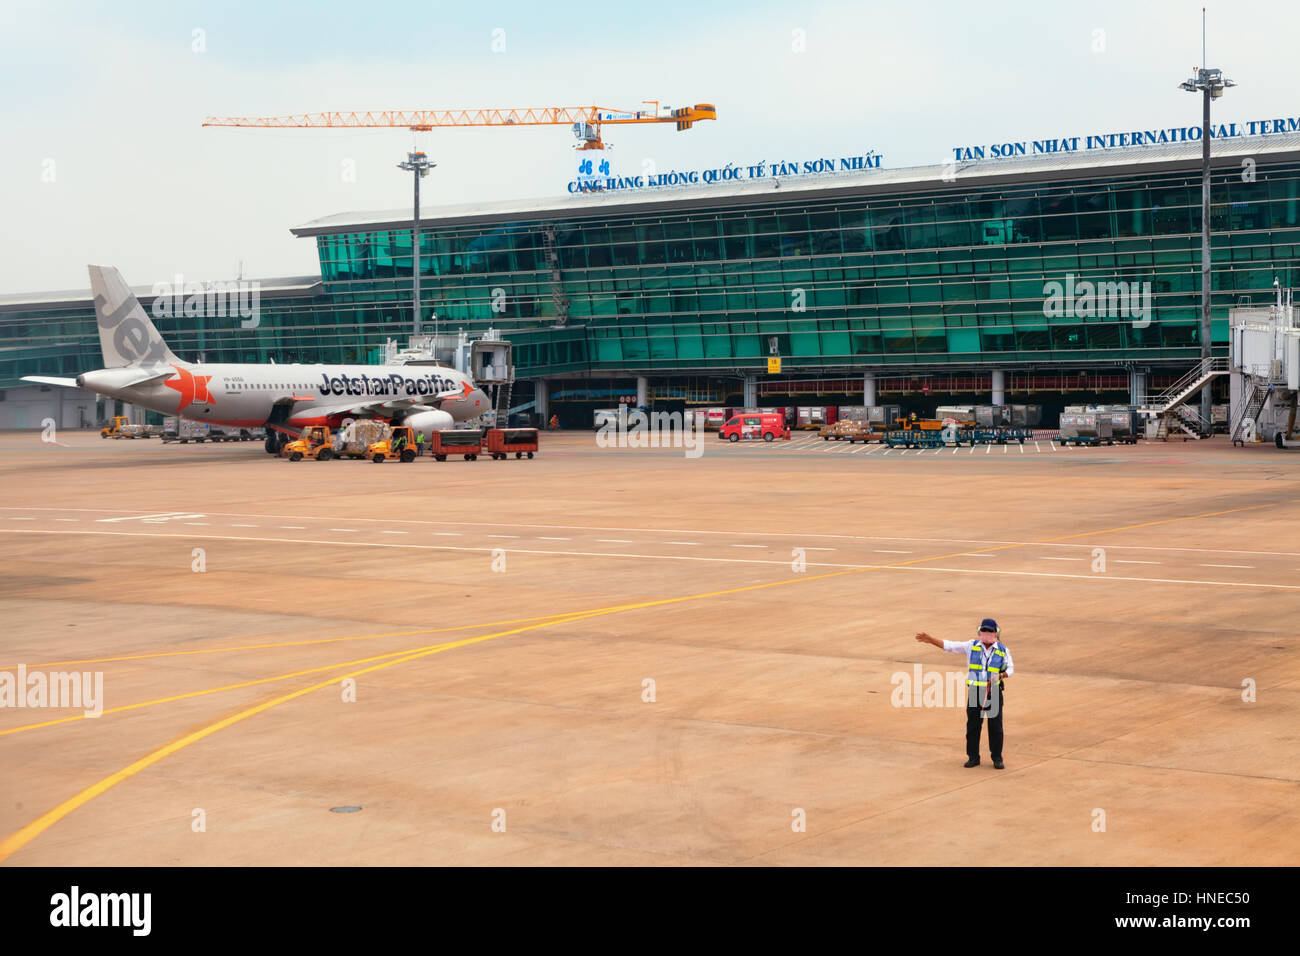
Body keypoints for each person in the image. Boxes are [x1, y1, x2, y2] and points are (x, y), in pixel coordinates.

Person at [915, 619, 1014, 769]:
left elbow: (1011, 669)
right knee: (973, 726)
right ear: (980, 632)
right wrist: (930, 640)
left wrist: (1001, 676)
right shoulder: (971, 646)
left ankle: (997, 758)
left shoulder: (1003, 650)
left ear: (996, 633)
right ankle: (973, 757)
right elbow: (949, 646)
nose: (987, 634)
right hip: (975, 692)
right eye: (984, 631)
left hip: (993, 691)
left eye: (990, 631)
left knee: (995, 727)